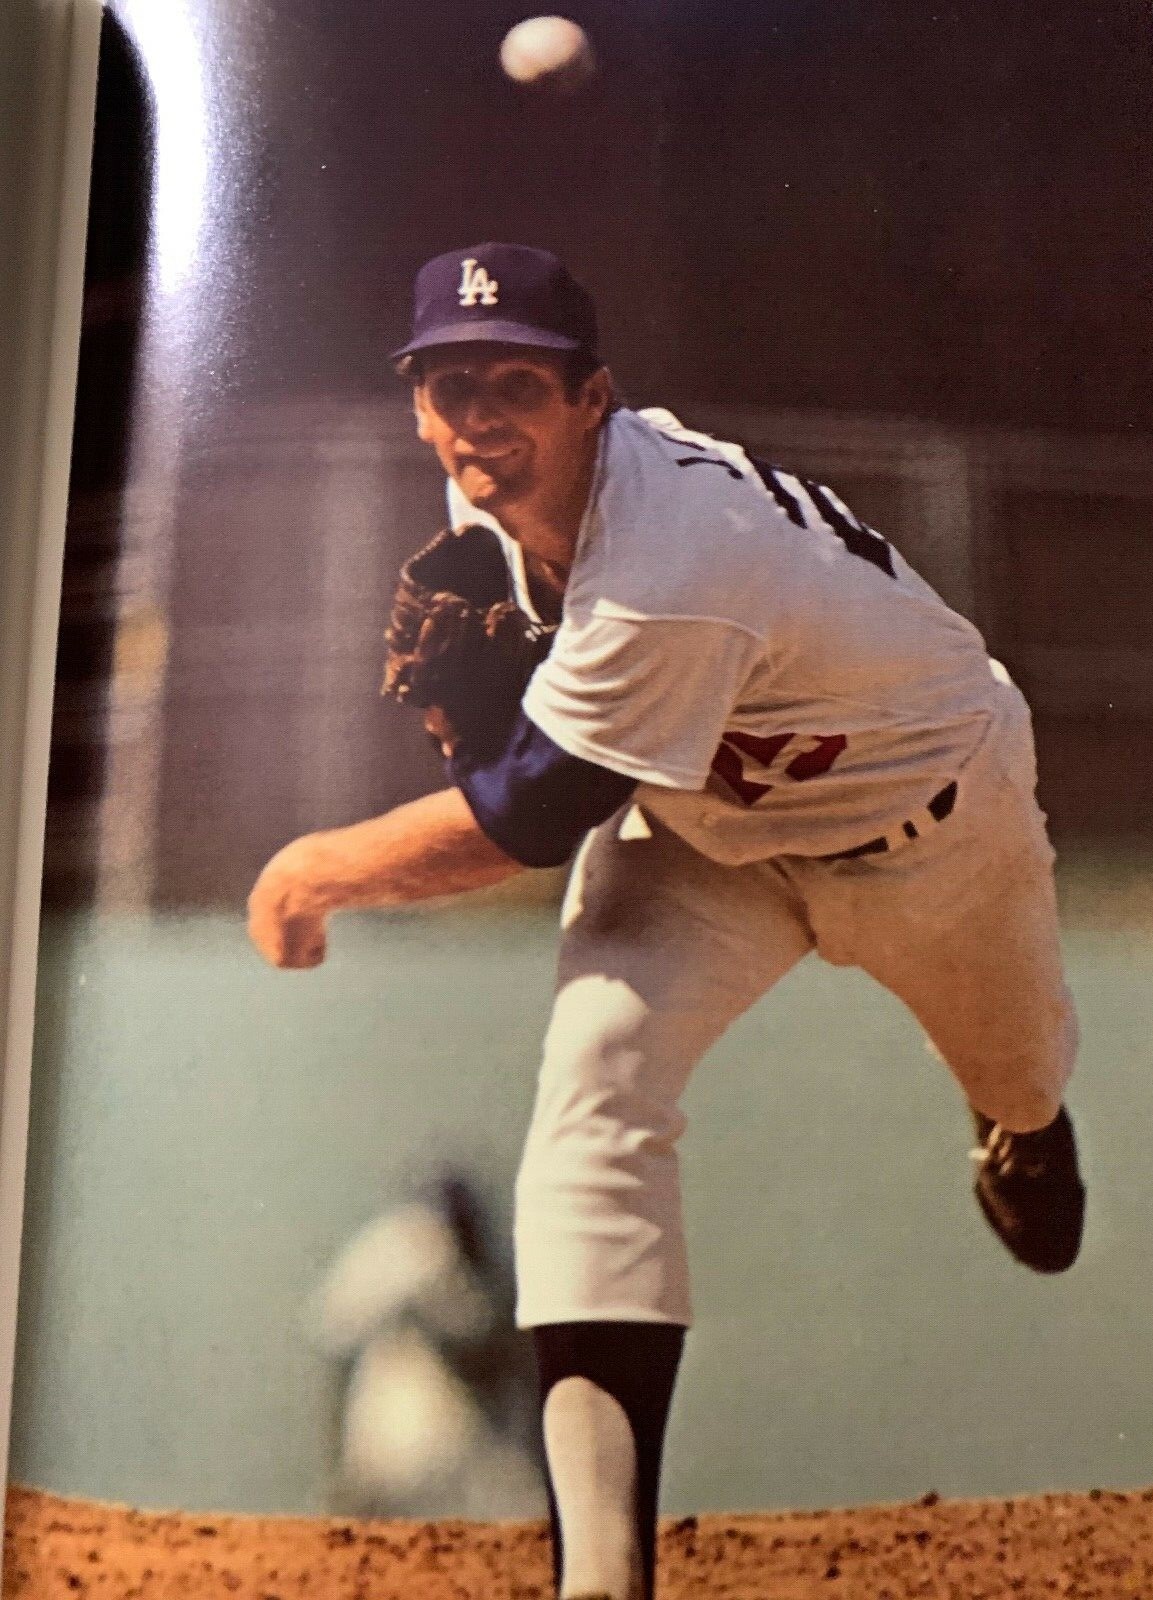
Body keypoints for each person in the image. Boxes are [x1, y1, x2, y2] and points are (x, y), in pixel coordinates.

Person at [247, 242, 1085, 1600]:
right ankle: (605, 1576)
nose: (478, 421)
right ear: (416, 404)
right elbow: (550, 761)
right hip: (704, 830)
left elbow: (532, 814)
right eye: (449, 387)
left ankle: (1028, 1130)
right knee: (595, 1092)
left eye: (516, 383)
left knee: (1021, 1072)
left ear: (597, 399)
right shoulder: (484, 495)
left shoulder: (677, 549)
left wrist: (310, 872)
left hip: (929, 827)